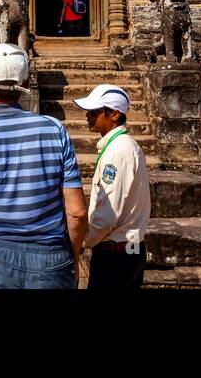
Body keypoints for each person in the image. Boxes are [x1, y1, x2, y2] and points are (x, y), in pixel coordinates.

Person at [0, 43, 87, 289]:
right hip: (50, 256)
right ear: (27, 84)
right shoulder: (54, 129)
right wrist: (72, 258)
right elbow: (77, 212)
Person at [75, 83, 151, 289]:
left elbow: (109, 213)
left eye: (94, 112)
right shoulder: (122, 147)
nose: (87, 116)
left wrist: (83, 242)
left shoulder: (118, 151)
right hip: (125, 250)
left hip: (116, 253)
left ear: (114, 114)